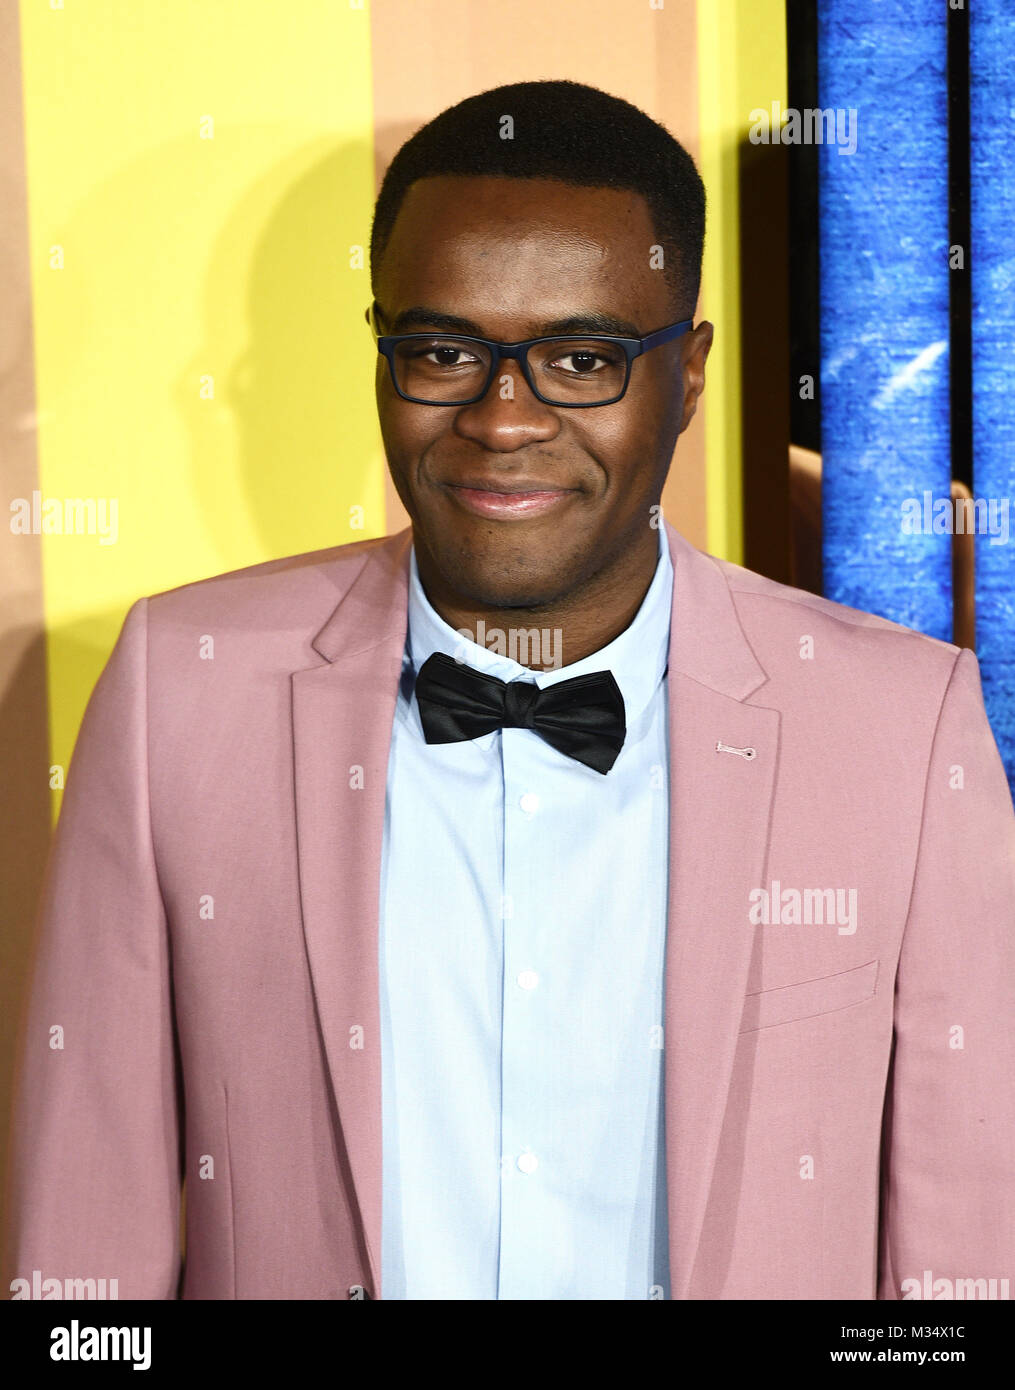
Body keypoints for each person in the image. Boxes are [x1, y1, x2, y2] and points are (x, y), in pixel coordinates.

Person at [7, 79, 1015, 1301]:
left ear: (686, 376)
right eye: (442, 351)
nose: (501, 417)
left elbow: (964, 1274)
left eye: (581, 359)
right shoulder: (181, 689)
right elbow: (83, 1268)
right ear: (379, 355)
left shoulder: (901, 729)